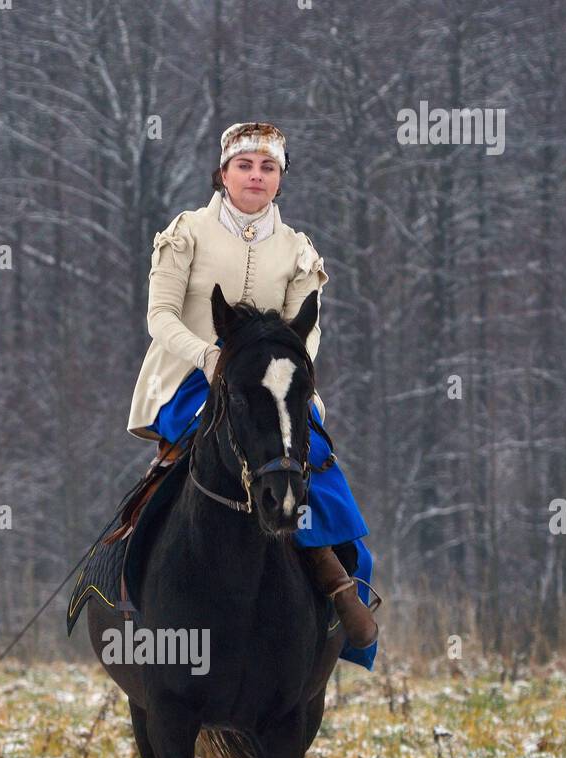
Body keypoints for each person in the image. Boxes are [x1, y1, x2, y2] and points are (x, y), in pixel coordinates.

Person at [126, 121, 379, 665]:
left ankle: (338, 584)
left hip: (274, 384)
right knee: (202, 448)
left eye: (268, 168)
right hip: (189, 378)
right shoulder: (186, 233)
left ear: (281, 180)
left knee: (313, 464)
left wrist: (289, 370)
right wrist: (209, 356)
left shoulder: (297, 250)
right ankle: (130, 582)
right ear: (223, 173)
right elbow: (160, 315)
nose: (256, 176)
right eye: (245, 165)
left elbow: (306, 329)